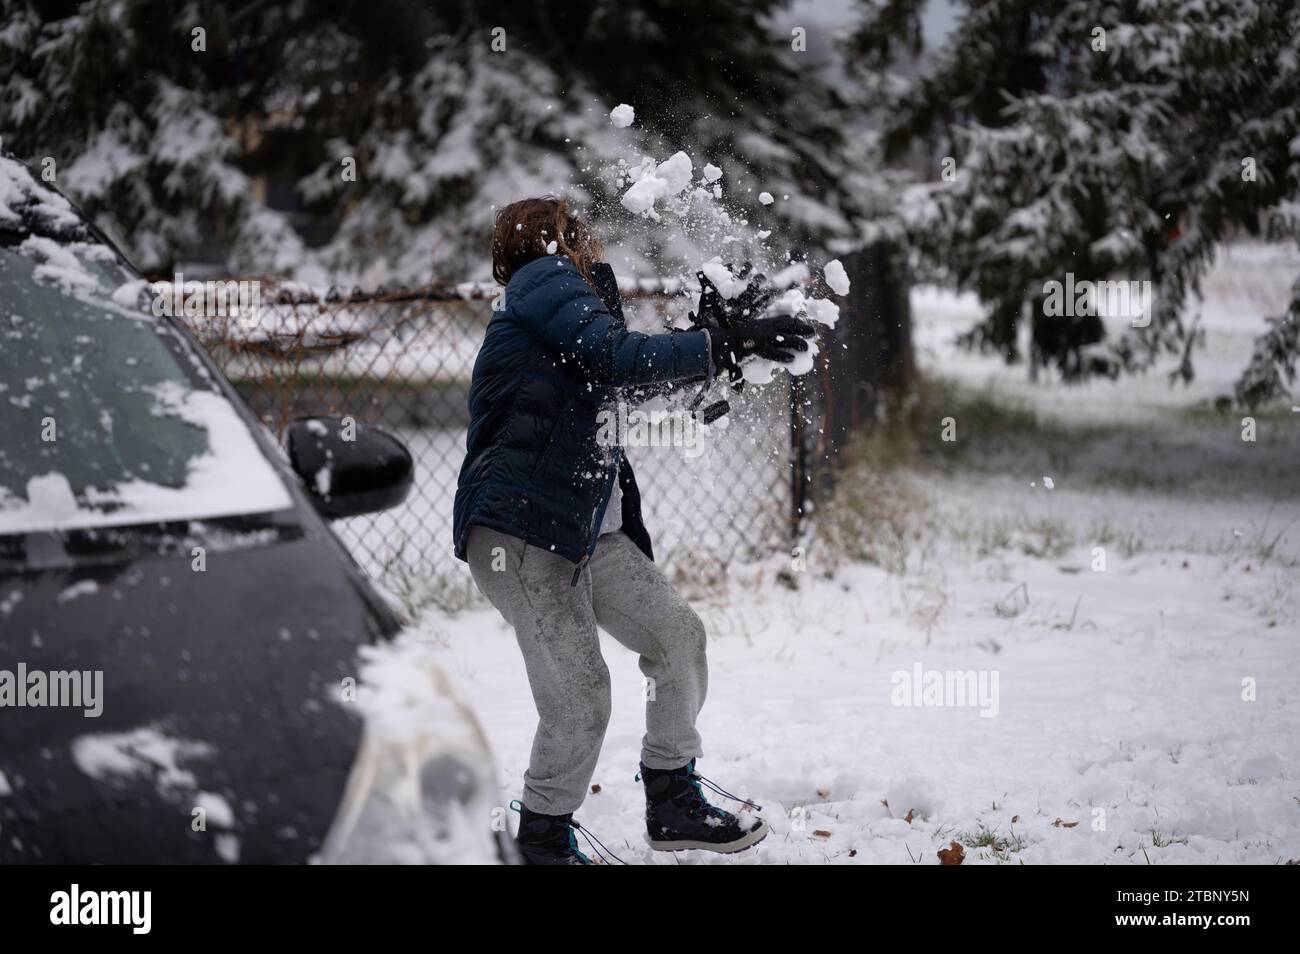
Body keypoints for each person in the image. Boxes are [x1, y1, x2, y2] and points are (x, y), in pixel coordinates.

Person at [452, 195, 812, 864]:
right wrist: (719, 343)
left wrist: (717, 353)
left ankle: (672, 801)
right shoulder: (545, 281)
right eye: (572, 232)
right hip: (525, 533)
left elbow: (628, 383)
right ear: (549, 243)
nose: (585, 243)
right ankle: (541, 844)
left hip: (584, 533)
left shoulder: (564, 315)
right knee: (580, 699)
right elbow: (616, 358)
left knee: (677, 637)